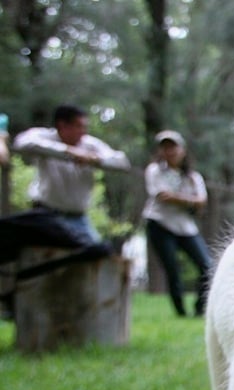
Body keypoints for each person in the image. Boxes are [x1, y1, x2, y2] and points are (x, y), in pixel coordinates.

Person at [7, 104, 129, 251]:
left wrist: (96, 160)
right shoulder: (45, 137)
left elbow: (121, 162)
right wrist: (67, 151)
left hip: (77, 218)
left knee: (97, 251)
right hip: (46, 214)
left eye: (84, 127)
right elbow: (22, 143)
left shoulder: (89, 144)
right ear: (62, 125)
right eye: (78, 126)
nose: (82, 132)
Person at [142, 130, 212, 317]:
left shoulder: (193, 177)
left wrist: (179, 198)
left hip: (185, 226)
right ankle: (180, 312)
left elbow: (202, 201)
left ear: (182, 150)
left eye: (173, 146)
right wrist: (190, 200)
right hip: (160, 223)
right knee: (172, 270)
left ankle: (200, 309)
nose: (170, 151)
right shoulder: (154, 171)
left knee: (207, 266)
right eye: (165, 147)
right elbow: (162, 196)